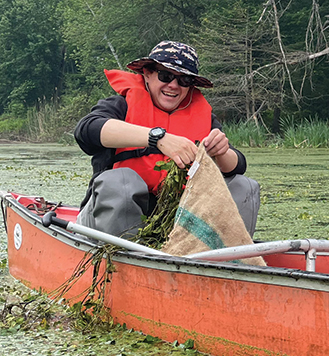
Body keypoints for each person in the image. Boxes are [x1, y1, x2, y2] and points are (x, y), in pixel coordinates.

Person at [74, 41, 260, 239]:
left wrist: (221, 151)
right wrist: (158, 138)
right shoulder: (120, 105)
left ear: (191, 85)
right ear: (147, 74)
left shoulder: (205, 119)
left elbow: (237, 165)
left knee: (244, 185)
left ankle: (227, 255)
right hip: (103, 223)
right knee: (122, 180)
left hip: (173, 228)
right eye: (165, 75)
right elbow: (87, 130)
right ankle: (125, 255)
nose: (173, 85)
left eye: (184, 80)